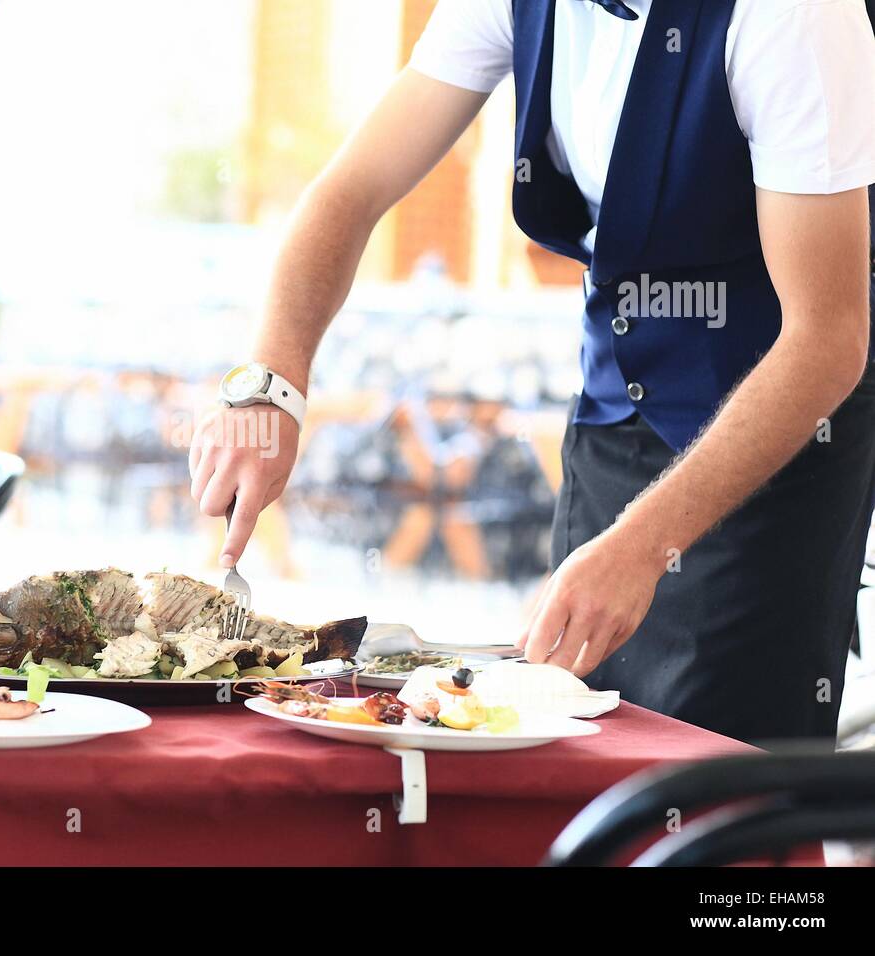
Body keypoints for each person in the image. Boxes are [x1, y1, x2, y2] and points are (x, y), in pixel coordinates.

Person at [188, 0, 875, 744]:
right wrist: (271, 381)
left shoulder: (795, 16)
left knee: (711, 789)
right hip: (609, 425)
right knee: (571, 746)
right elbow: (349, 193)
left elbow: (829, 337)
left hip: (772, 447)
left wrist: (645, 546)